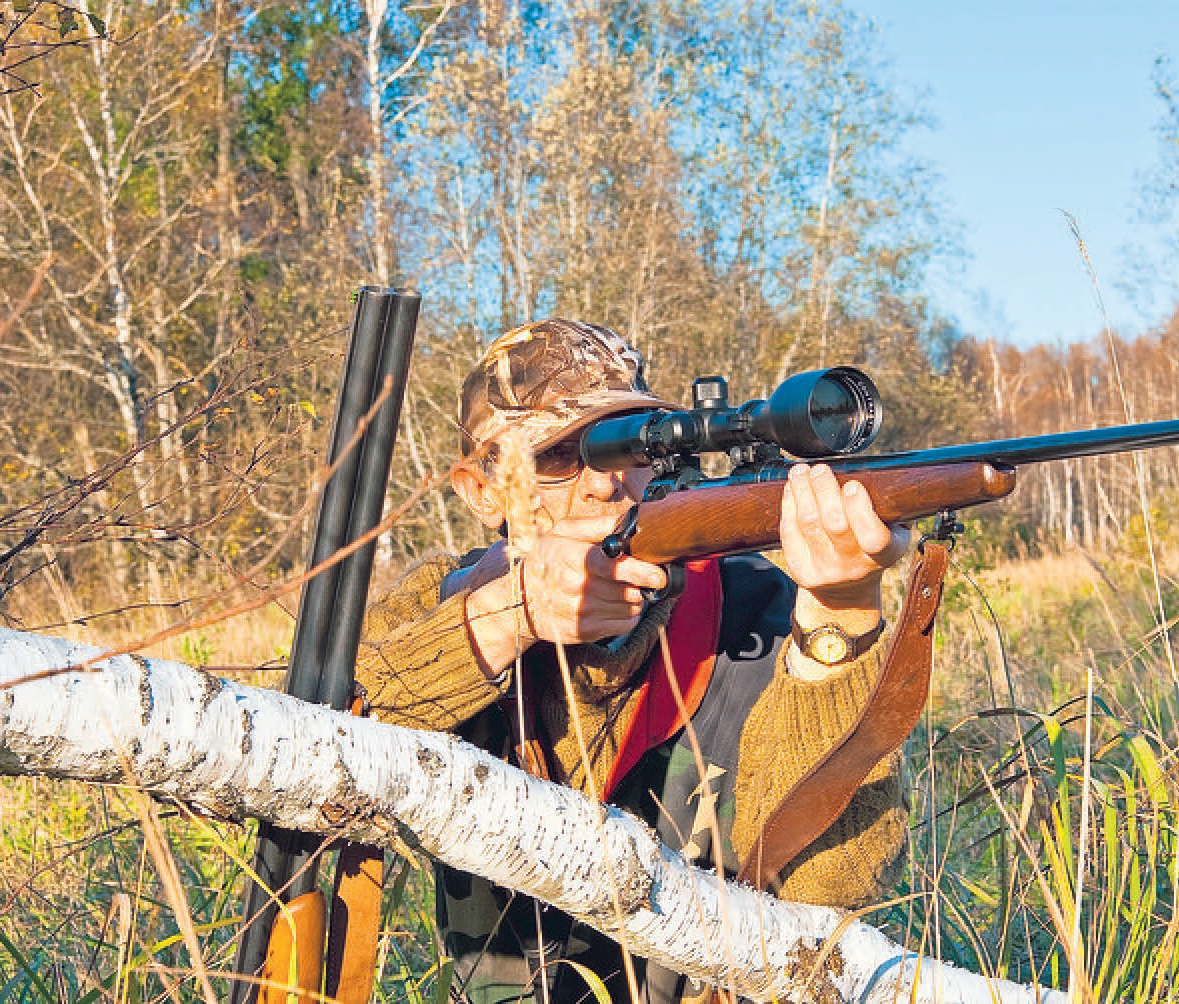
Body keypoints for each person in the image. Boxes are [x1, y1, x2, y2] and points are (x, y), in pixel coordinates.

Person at [355, 319, 912, 1004]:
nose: (603, 484)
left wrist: (840, 613)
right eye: (560, 455)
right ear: (480, 490)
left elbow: (829, 898)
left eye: (629, 444)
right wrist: (510, 618)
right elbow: (315, 741)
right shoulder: (441, 602)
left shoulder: (759, 612)